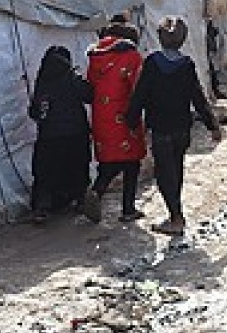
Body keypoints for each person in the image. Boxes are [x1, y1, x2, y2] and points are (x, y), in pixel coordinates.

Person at [126, 16, 224, 236]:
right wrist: (212, 124)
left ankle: (176, 218)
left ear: (160, 38)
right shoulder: (186, 65)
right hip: (182, 127)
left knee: (164, 173)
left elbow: (140, 94)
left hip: (160, 127)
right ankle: (175, 213)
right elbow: (198, 97)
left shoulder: (152, 63)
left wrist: (131, 120)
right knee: (176, 170)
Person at [83, 21, 147, 223]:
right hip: (124, 114)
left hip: (101, 116)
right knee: (131, 162)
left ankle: (97, 190)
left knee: (110, 160)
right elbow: (138, 88)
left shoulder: (95, 57)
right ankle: (127, 208)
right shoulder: (131, 56)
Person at [28, 45, 94, 223]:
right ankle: (80, 201)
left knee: (45, 173)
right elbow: (89, 95)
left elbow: (35, 111)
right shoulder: (72, 77)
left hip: (49, 136)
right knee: (78, 169)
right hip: (75, 133)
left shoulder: (43, 80)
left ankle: (42, 207)